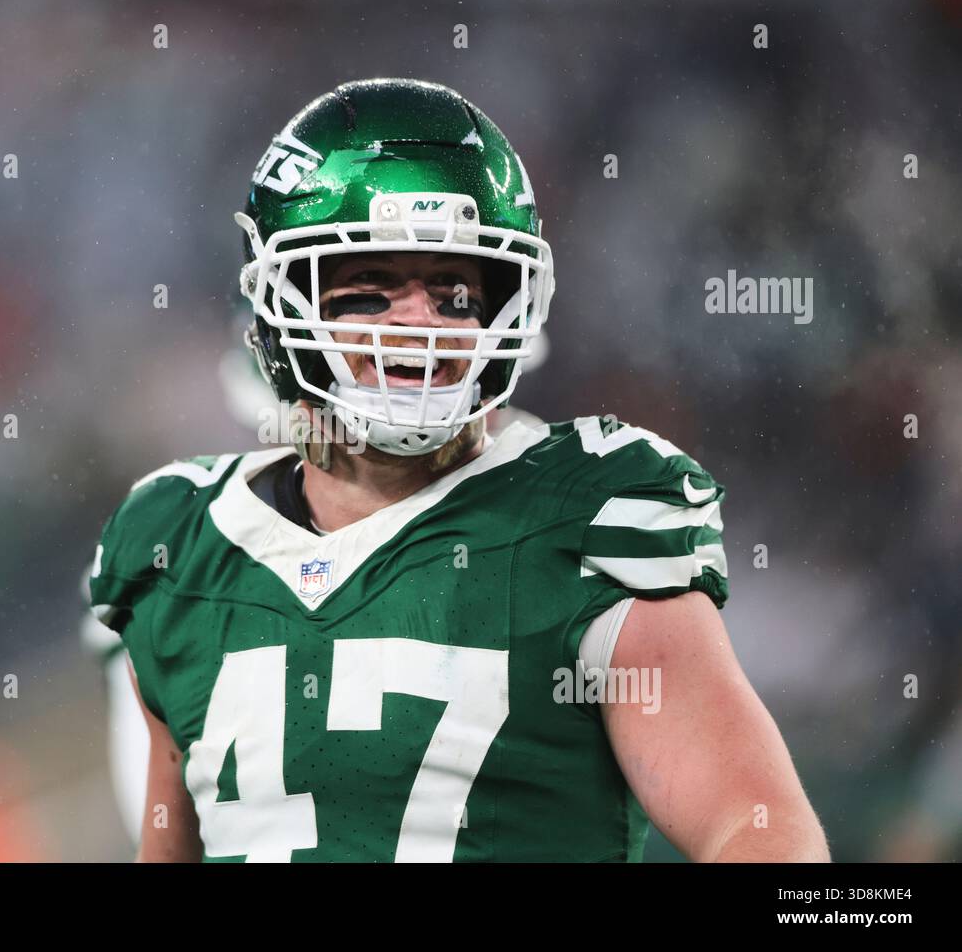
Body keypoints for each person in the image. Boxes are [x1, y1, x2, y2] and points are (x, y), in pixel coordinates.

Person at [87, 78, 828, 862]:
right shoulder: (175, 550)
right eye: (369, 293)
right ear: (278, 310)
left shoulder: (585, 518)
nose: (420, 324)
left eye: (454, 293)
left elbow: (756, 833)